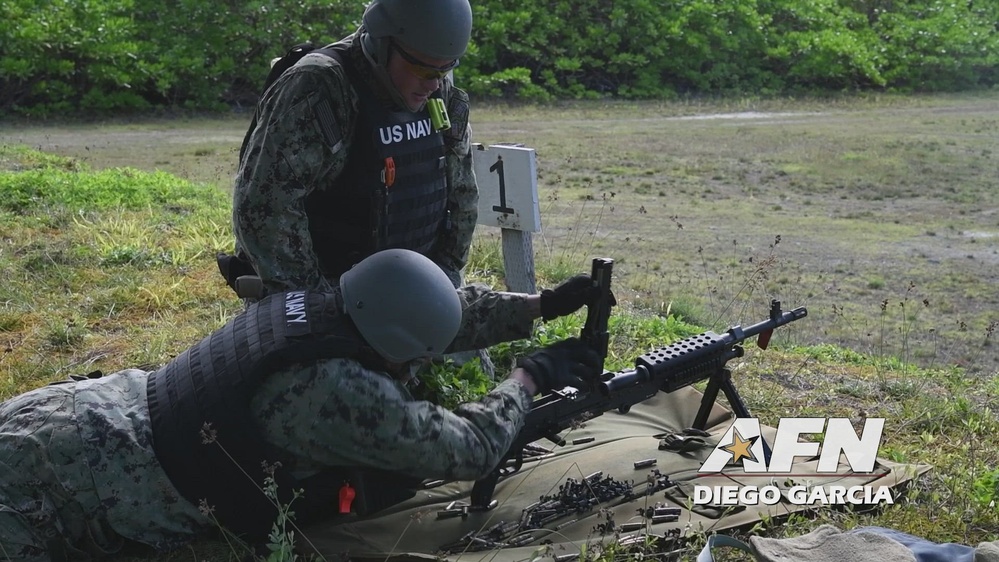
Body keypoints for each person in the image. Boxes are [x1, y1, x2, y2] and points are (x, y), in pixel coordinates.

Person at [0, 249, 603, 561]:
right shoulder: (333, 393)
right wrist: (529, 377)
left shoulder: (324, 303)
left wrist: (537, 307)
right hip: (56, 491)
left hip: (67, 411)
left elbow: (428, 312)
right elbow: (469, 448)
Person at [221, 0, 481, 297]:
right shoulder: (320, 86)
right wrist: (319, 306)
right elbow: (263, 211)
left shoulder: (437, 88)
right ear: (384, 45)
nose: (434, 84)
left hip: (411, 295)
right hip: (324, 297)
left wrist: (444, 277)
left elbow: (463, 193)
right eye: (422, 69)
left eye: (445, 69)